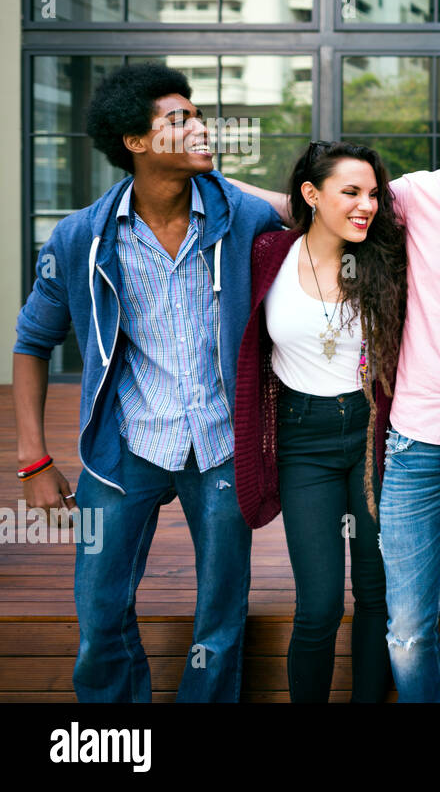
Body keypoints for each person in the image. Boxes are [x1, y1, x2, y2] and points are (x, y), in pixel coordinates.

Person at [231, 72, 440, 702]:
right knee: (397, 623)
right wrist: (200, 180)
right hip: (411, 441)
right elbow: (312, 205)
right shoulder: (415, 198)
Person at [12, 62, 283, 701]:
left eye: (198, 115)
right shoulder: (81, 238)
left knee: (219, 621)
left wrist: (214, 174)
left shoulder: (241, 218)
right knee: (99, 612)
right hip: (125, 446)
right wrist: (33, 458)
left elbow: (309, 211)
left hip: (220, 445)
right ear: (135, 143)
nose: (200, 126)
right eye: (179, 120)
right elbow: (32, 343)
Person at [233, 141, 406, 702]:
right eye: (350, 192)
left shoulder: (384, 256)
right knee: (320, 602)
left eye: (373, 193)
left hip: (370, 430)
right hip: (301, 437)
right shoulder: (268, 254)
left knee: (377, 594)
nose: (367, 205)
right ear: (310, 195)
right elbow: (223, 196)